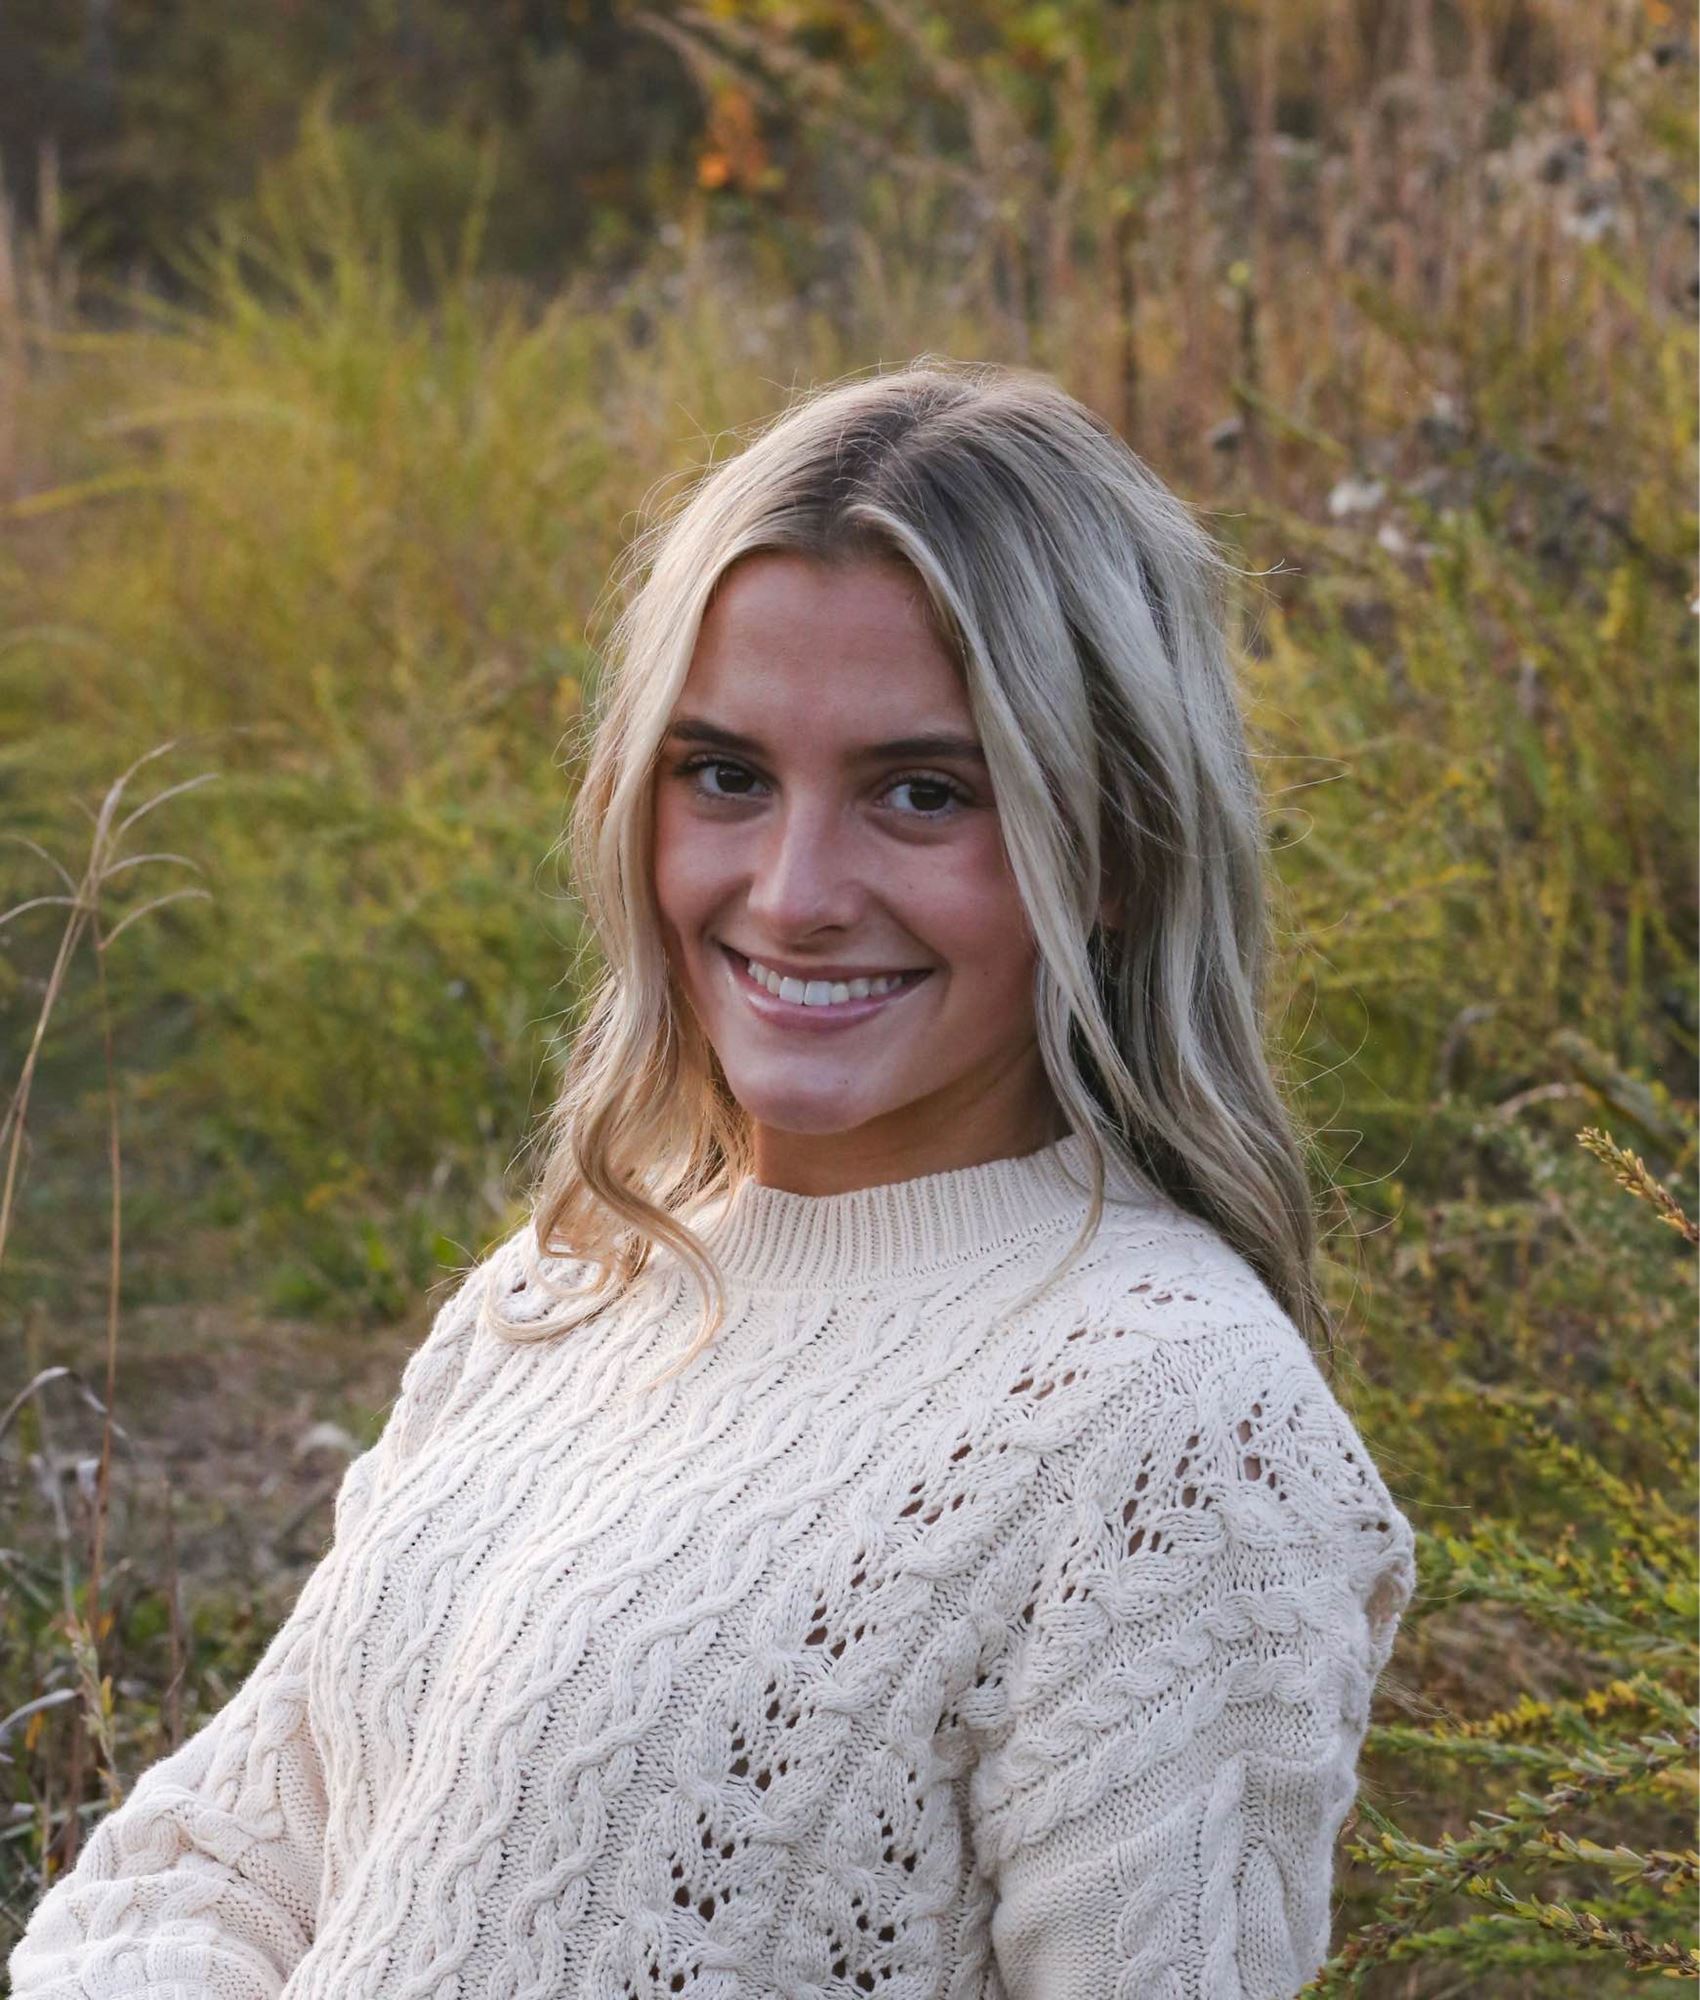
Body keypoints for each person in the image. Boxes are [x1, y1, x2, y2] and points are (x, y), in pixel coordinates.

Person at [9, 358, 1416, 1998]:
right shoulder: (580, 1279)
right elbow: (221, 1857)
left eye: (922, 791)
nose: (793, 890)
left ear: (1113, 847)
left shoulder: (1176, 1424)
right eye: (727, 775)